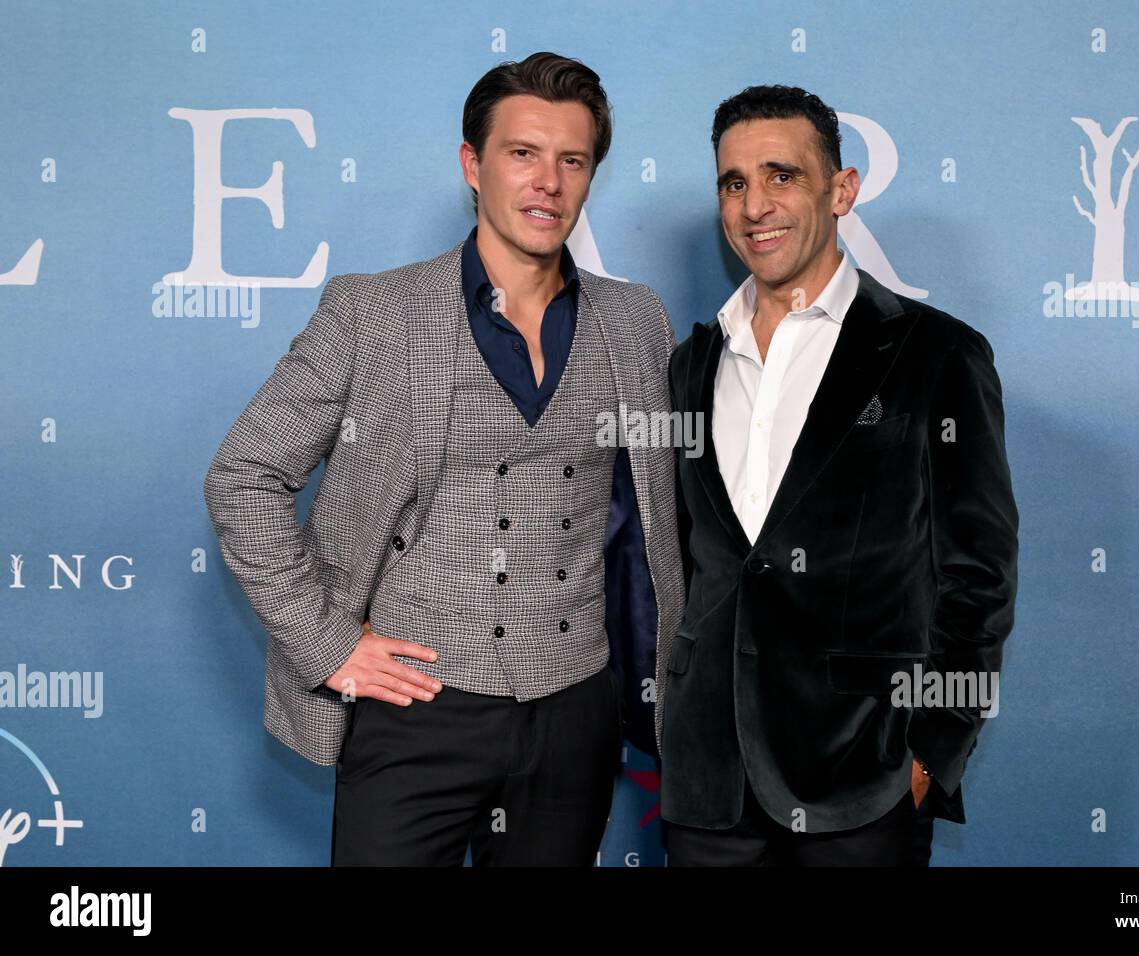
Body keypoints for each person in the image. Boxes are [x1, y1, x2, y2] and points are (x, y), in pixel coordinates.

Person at [204, 51, 683, 866]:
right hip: (416, 716)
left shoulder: (634, 321)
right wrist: (329, 645)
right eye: (523, 154)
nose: (549, 183)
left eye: (573, 161)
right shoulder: (375, 312)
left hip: (576, 712)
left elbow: (659, 516)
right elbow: (242, 478)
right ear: (473, 164)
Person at [658, 85, 1019, 866]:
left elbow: (979, 578)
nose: (756, 204)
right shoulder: (691, 365)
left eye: (782, 175)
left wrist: (929, 756)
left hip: (863, 785)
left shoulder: (937, 356)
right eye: (734, 182)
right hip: (706, 789)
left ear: (842, 189)